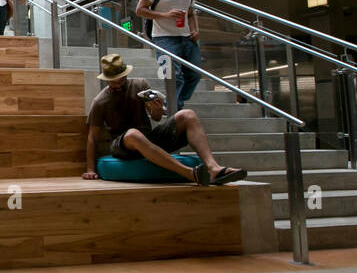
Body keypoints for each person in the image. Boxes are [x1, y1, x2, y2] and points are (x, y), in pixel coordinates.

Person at [82, 53, 246, 185]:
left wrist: (157, 108)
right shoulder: (100, 101)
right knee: (133, 133)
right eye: (113, 81)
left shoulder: (140, 85)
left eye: (121, 79)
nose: (118, 84)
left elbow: (157, 117)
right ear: (107, 79)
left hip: (148, 138)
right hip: (123, 145)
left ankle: (213, 167)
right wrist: (90, 169)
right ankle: (190, 174)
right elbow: (92, 137)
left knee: (187, 114)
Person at [136, 0, 200, 111]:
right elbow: (140, 10)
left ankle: (174, 103)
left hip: (186, 38)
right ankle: (173, 107)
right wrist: (165, 15)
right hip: (164, 39)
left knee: (194, 75)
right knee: (174, 76)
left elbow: (190, 13)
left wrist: (194, 29)